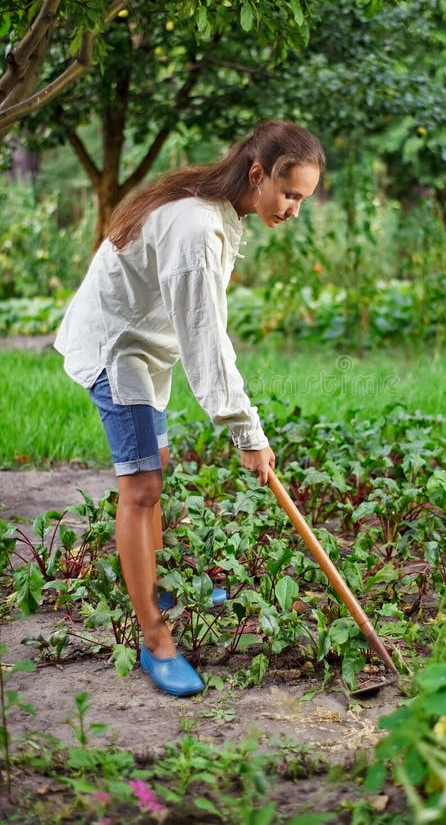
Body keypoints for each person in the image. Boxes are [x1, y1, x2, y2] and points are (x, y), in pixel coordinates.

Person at [54, 120, 325, 697]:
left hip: (145, 346)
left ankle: (158, 588)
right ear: (258, 174)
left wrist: (243, 428)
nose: (295, 209)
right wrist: (246, 433)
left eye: (304, 197)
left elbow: (201, 333)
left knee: (156, 468)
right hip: (116, 348)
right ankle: (155, 638)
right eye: (290, 194)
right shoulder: (199, 230)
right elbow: (207, 344)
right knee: (141, 487)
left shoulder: (214, 211)